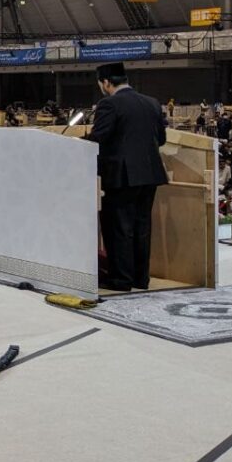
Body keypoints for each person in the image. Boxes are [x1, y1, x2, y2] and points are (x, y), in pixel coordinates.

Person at [84, 62, 168, 292]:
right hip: (150, 175)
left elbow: (98, 138)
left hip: (122, 177)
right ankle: (141, 279)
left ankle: (121, 280)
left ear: (106, 83)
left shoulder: (109, 104)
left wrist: (80, 143)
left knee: (119, 228)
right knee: (142, 227)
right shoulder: (151, 102)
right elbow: (161, 139)